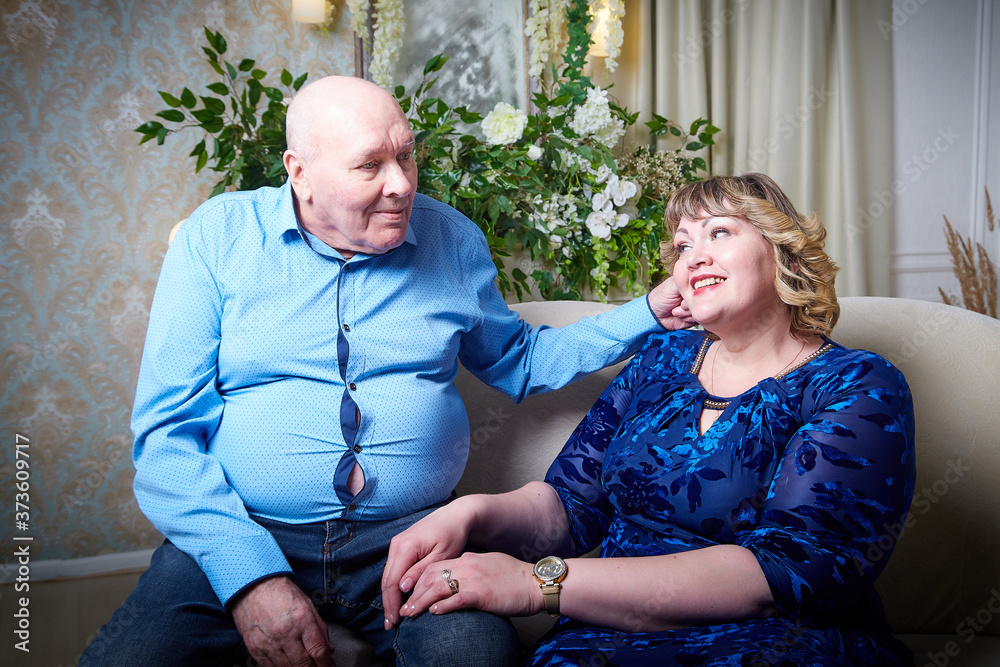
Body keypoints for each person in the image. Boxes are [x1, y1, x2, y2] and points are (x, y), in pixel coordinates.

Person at [79, 75, 693, 667]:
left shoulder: (451, 239)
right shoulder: (218, 238)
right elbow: (166, 438)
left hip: (414, 536)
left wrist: (645, 312)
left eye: (406, 155)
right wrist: (251, 577)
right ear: (300, 173)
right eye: (369, 165)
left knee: (477, 657)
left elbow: (519, 360)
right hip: (245, 525)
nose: (401, 184)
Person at [382, 173, 917, 666]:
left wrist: (536, 583)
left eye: (719, 233)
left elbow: (788, 574)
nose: (693, 258)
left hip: (773, 639)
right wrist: (472, 515)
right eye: (683, 246)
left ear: (785, 254)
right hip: (605, 633)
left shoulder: (857, 383)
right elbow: (568, 507)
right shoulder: (661, 360)